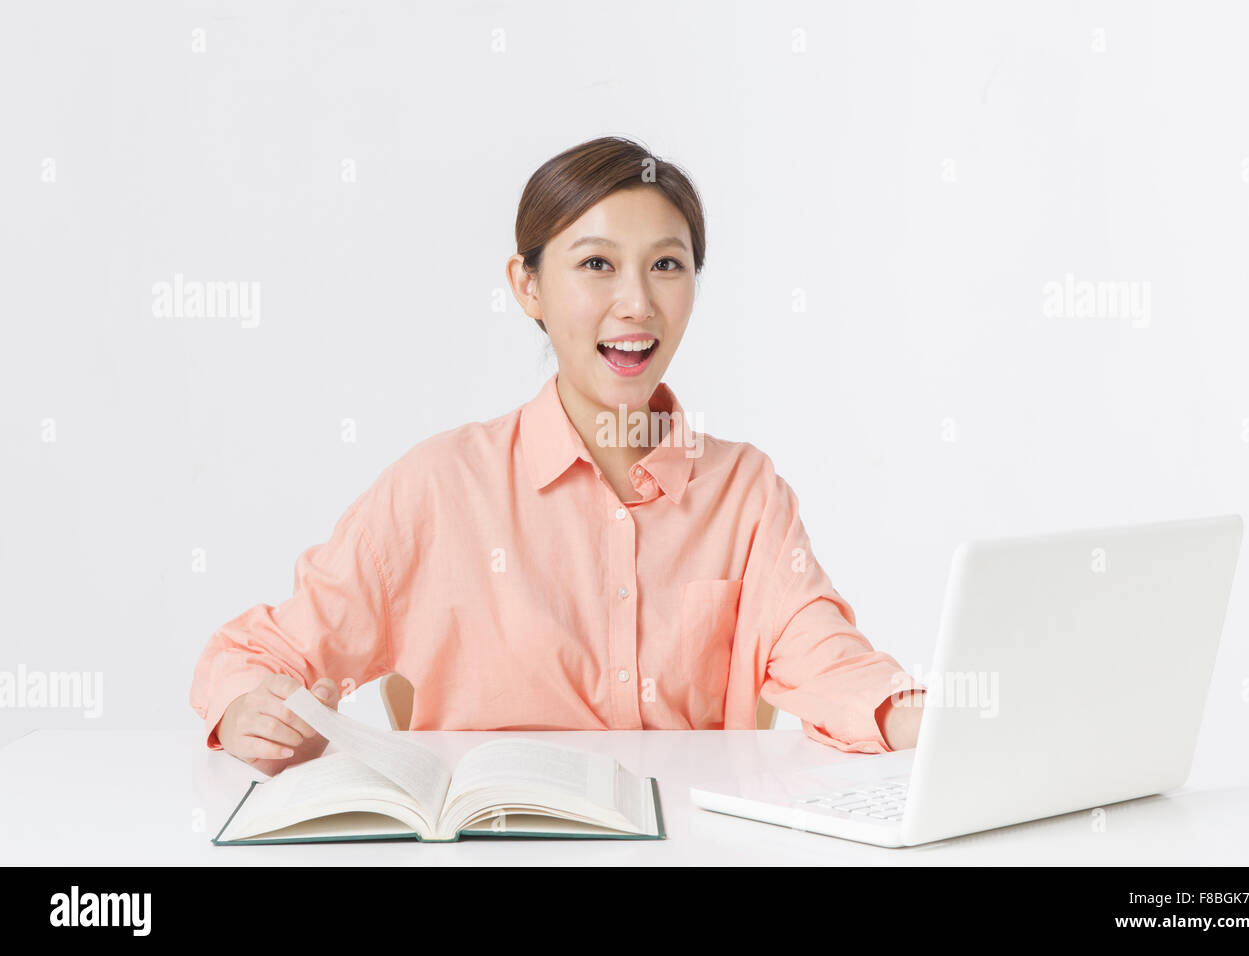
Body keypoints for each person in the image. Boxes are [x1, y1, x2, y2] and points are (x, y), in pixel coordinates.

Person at [189, 135, 926, 777]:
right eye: (597, 264)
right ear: (528, 286)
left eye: (666, 266)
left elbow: (828, 656)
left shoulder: (745, 491)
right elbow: (256, 654)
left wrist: (913, 717)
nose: (636, 303)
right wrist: (253, 710)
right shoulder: (441, 488)